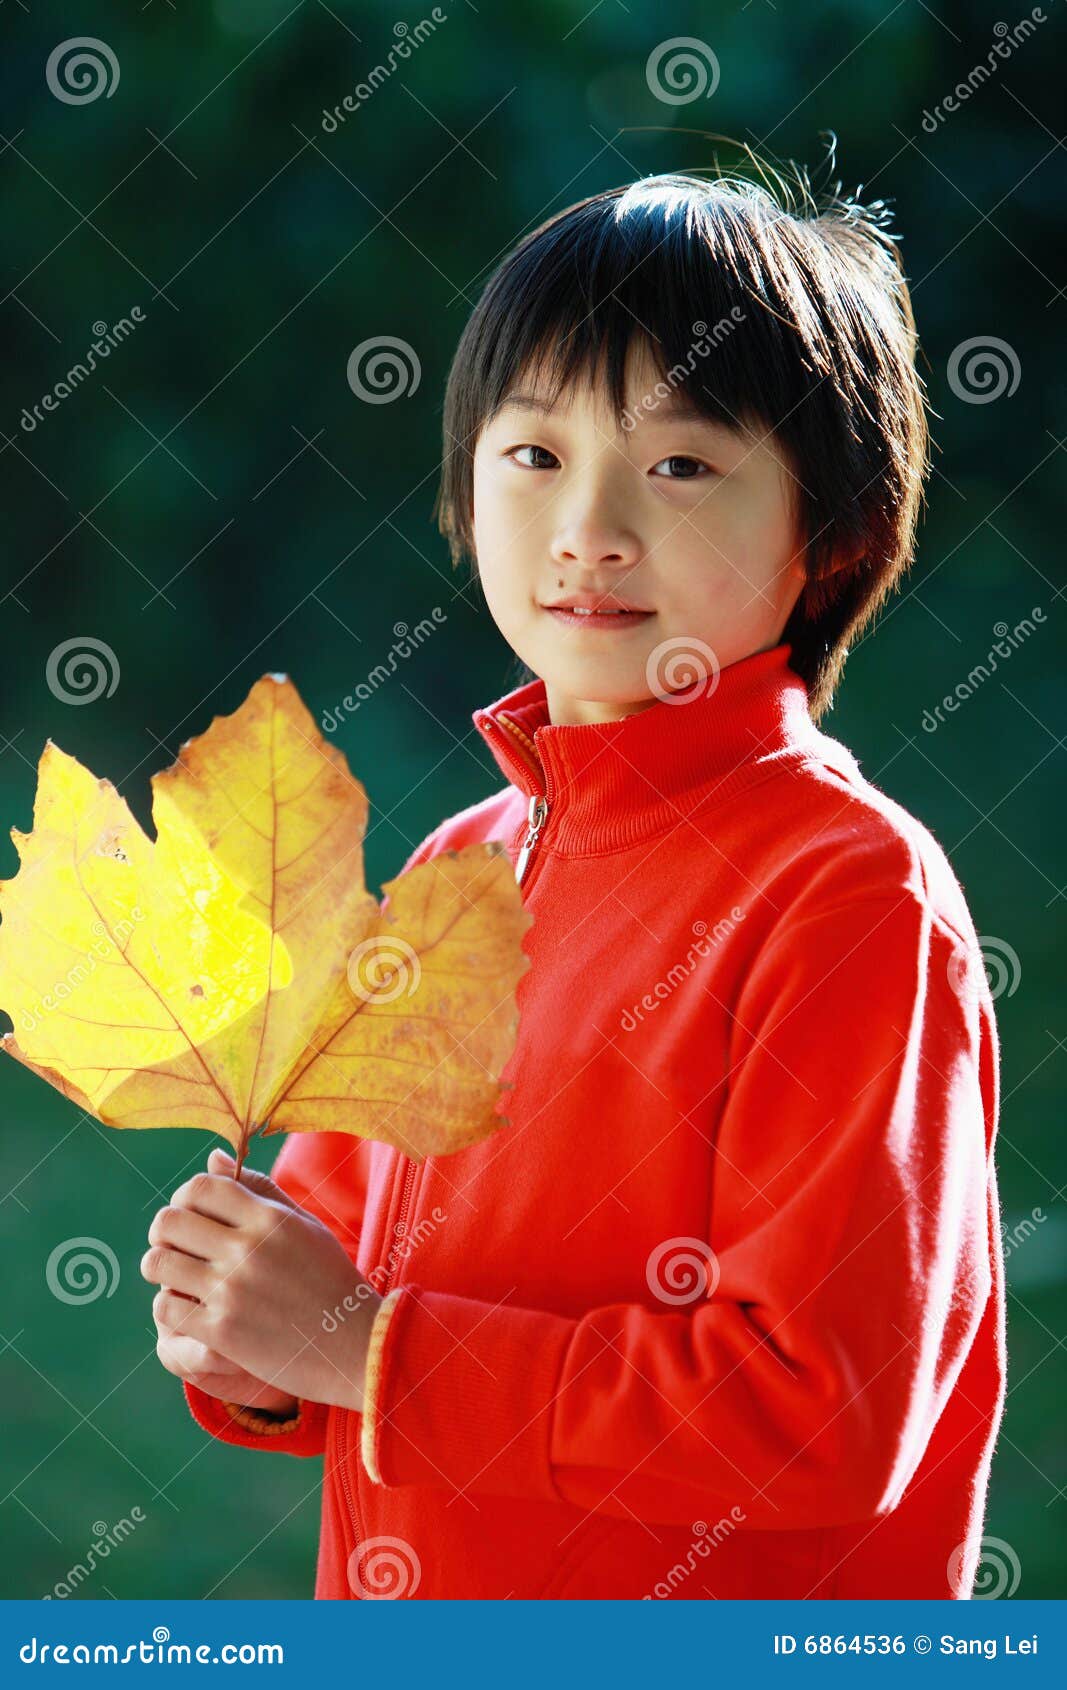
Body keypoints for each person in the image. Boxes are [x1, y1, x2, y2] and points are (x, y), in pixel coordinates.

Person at [143, 162, 1006, 1600]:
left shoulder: (848, 897)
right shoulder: (459, 870)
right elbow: (346, 1284)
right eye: (533, 454)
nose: (588, 526)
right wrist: (253, 1332)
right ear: (464, 488)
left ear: (835, 536)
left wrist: (364, 1342)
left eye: (677, 465)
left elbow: (824, 1413)